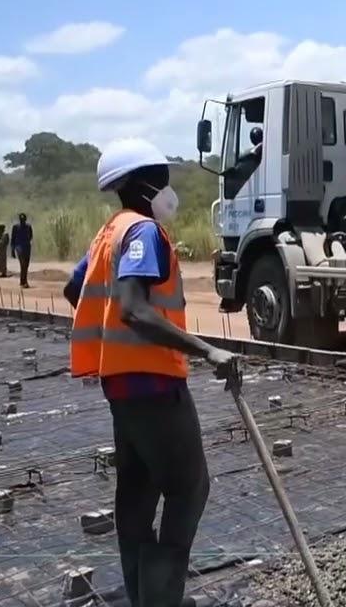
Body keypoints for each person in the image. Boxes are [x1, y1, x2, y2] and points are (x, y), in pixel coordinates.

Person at [65, 137, 239, 606]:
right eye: (161, 178)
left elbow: (72, 289)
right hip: (155, 384)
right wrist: (208, 351)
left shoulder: (109, 233)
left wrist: (110, 343)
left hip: (120, 386)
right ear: (140, 185)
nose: (168, 187)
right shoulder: (143, 233)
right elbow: (135, 311)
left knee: (138, 492)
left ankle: (143, 596)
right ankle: (161, 599)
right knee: (188, 488)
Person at [10, 213, 32, 288]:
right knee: (23, 264)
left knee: (26, 265)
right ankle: (24, 282)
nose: (22, 220)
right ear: (19, 219)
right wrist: (12, 250)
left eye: (23, 219)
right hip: (19, 247)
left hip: (27, 247)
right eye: (21, 219)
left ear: (25, 219)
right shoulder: (15, 227)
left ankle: (22, 281)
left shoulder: (28, 227)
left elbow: (31, 236)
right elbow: (13, 239)